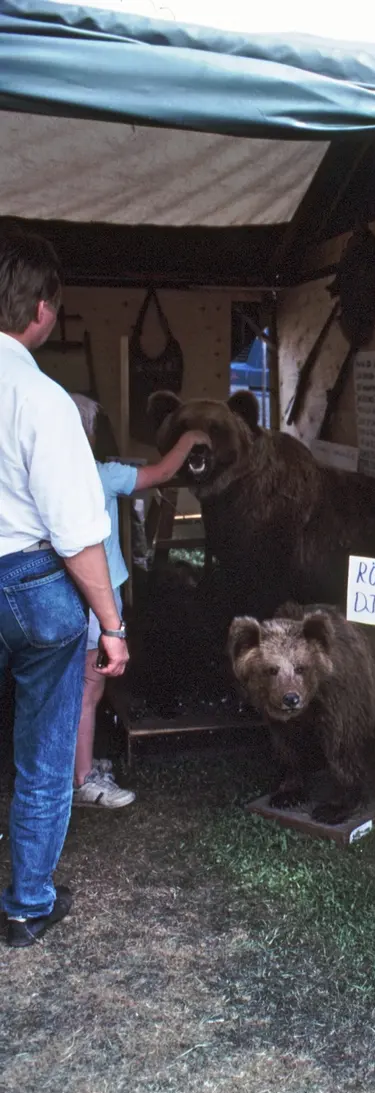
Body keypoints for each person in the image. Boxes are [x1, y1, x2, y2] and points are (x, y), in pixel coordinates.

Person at [0, 229, 129, 948]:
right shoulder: (42, 399)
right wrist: (111, 624)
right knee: (44, 754)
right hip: (31, 584)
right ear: (43, 309)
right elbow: (78, 533)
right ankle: (27, 905)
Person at [69, 393, 210, 808]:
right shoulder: (103, 475)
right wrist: (191, 439)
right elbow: (162, 472)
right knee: (89, 687)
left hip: (66, 591)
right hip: (98, 593)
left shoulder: (51, 481)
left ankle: (77, 763)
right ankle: (82, 780)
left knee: (74, 684)